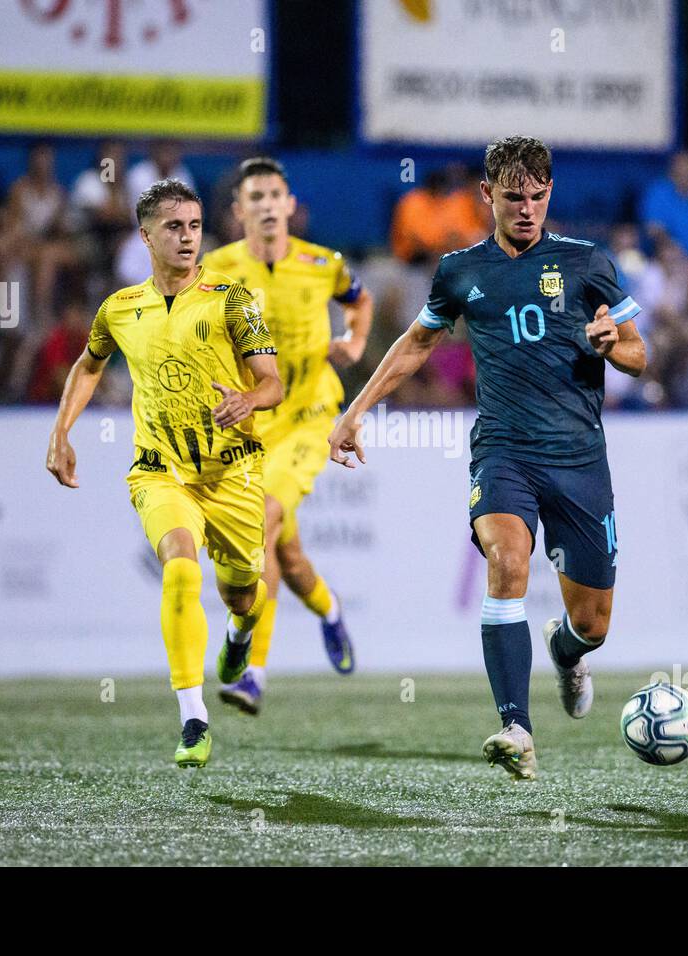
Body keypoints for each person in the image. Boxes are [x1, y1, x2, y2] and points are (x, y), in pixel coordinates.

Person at [328, 136, 647, 781]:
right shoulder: (461, 271)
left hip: (580, 460)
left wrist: (614, 344)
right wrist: (354, 411)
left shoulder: (588, 264)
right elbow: (416, 346)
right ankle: (516, 728)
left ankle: (566, 650)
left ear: (549, 194)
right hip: (503, 451)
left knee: (593, 622)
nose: (526, 208)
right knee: (507, 560)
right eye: (512, 197)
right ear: (487, 197)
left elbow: (640, 352)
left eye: (536, 196)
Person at [45, 179, 282, 768]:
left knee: (242, 592)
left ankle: (239, 633)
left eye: (195, 226)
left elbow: (274, 383)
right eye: (174, 227)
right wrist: (60, 432)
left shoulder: (233, 299)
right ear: (145, 235)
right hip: (160, 470)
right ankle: (193, 717)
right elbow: (87, 364)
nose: (187, 238)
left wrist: (248, 401)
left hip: (233, 473)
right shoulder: (120, 308)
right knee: (179, 566)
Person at [200, 157, 371, 713]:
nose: (268, 205)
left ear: (290, 204)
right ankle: (330, 610)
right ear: (238, 212)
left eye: (276, 194)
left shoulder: (323, 263)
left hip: (310, 416)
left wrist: (355, 342)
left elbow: (359, 300)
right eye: (256, 197)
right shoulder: (216, 270)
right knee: (289, 556)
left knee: (265, 519)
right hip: (251, 423)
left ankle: (252, 670)